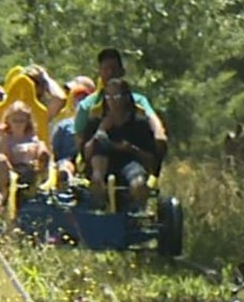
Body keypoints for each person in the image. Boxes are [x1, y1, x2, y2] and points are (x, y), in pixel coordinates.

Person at [75, 48, 167, 161]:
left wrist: (158, 137)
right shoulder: (87, 105)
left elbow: (155, 123)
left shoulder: (138, 100)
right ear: (99, 72)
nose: (110, 73)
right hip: (99, 157)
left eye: (114, 69)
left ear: (122, 71)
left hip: (132, 154)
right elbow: (79, 140)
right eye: (105, 69)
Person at [82, 78, 159, 206]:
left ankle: (137, 214)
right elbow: (86, 154)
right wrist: (100, 131)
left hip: (130, 162)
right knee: (96, 179)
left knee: (138, 183)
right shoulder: (95, 122)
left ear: (126, 98)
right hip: (101, 164)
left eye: (116, 96)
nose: (112, 101)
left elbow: (151, 160)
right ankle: (99, 209)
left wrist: (131, 149)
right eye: (108, 96)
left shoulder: (140, 124)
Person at [0, 101, 51, 198]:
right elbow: (1, 154)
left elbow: (41, 151)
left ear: (27, 122)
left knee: (42, 147)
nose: (18, 124)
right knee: (1, 159)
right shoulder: (6, 138)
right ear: (8, 121)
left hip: (32, 169)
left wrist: (39, 154)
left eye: (22, 121)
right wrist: (2, 135)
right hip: (12, 170)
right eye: (15, 120)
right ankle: (0, 195)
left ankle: (38, 184)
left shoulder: (32, 137)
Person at [50, 78, 96, 187]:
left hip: (90, 160)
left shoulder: (97, 123)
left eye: (84, 98)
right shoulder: (64, 124)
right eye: (76, 98)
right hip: (68, 160)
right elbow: (55, 150)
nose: (80, 102)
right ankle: (66, 181)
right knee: (65, 165)